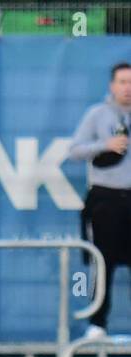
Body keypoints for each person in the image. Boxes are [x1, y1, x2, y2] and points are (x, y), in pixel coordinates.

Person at [68, 62, 131, 338]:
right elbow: (75, 150)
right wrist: (104, 145)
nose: (127, 88)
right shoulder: (97, 115)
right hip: (105, 198)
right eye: (122, 82)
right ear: (111, 85)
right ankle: (97, 323)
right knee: (102, 261)